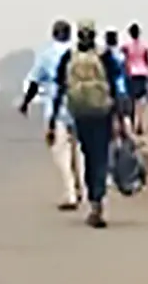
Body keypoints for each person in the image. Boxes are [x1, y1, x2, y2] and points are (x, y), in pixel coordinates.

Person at [48, 19, 128, 229]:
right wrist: (122, 117)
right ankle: (97, 202)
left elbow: (59, 89)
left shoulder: (70, 57)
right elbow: (118, 86)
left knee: (88, 156)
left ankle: (94, 199)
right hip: (102, 113)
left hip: (80, 113)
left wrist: (52, 120)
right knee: (99, 157)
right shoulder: (105, 56)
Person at [19, 20, 80, 211]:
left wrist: (25, 103)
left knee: (61, 151)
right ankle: (83, 188)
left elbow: (35, 81)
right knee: (81, 151)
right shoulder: (80, 53)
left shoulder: (46, 54)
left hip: (57, 108)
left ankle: (71, 192)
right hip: (81, 106)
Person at [121, 23, 148, 135]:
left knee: (131, 100)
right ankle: (139, 122)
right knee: (141, 101)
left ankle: (132, 122)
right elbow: (146, 60)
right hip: (142, 73)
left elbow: (124, 60)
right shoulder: (144, 45)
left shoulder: (126, 46)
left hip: (131, 74)